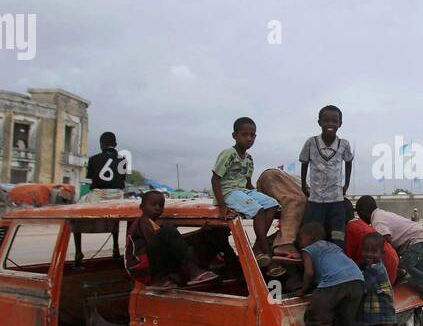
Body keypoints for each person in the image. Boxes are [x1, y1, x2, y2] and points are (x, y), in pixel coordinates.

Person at [354, 195, 423, 306]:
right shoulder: (381, 214)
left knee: (404, 266)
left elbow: (388, 243)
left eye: (359, 215)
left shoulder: (377, 221)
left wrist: (394, 261)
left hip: (418, 240)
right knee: (422, 275)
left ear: (362, 213)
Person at [297, 221, 362, 326]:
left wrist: (303, 289)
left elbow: (309, 273)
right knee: (337, 325)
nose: (298, 242)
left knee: (315, 324)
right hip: (357, 281)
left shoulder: (308, 249)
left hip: (334, 284)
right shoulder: (333, 246)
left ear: (310, 237)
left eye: (300, 238)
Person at [211, 117, 280, 266]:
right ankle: (264, 248)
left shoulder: (249, 159)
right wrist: (222, 205)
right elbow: (215, 179)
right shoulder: (228, 154)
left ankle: (257, 247)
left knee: (273, 204)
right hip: (228, 192)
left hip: (242, 190)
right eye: (244, 134)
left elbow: (248, 184)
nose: (249, 138)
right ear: (235, 135)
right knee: (258, 211)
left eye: (252, 135)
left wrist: (259, 195)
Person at [124, 191, 213, 288]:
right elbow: (162, 242)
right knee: (168, 230)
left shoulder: (153, 224)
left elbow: (167, 240)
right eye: (153, 205)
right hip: (139, 265)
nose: (157, 208)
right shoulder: (143, 221)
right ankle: (192, 271)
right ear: (142, 207)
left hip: (146, 263)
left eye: (161, 205)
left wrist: (197, 233)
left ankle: (172, 278)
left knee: (187, 242)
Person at [299, 105, 353, 245]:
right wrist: (303, 186)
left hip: (336, 201)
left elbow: (348, 162)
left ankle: (334, 262)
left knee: (337, 237)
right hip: (315, 201)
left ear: (340, 124)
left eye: (334, 121)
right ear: (319, 122)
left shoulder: (344, 144)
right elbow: (304, 163)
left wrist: (346, 184)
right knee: (314, 238)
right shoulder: (311, 143)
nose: (330, 124)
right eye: (326, 120)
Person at [75, 131, 125, 262]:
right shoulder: (123, 160)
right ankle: (116, 247)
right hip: (117, 196)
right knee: (116, 218)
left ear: (101, 144)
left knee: (75, 211)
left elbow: (92, 179)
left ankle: (78, 252)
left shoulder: (93, 159)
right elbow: (121, 180)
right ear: (115, 144)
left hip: (99, 194)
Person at [255, 168, 305, 265]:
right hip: (273, 176)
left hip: (272, 178)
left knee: (297, 211)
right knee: (296, 200)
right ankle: (284, 244)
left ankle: (262, 246)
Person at [344, 215, 398, 284]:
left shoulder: (379, 272)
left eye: (374, 251)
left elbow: (386, 291)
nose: (369, 254)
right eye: (366, 250)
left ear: (382, 254)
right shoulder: (364, 264)